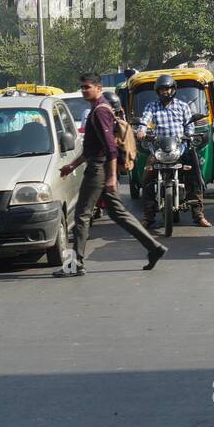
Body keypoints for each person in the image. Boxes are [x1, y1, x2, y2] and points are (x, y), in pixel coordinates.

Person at [58, 72, 166, 275]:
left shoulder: (99, 112)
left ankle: (75, 264)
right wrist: (72, 165)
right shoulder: (97, 110)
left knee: (82, 215)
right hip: (98, 165)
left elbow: (110, 148)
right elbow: (92, 148)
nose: (83, 91)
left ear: (98, 88)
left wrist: (112, 177)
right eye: (81, 87)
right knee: (119, 214)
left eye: (87, 87)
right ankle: (154, 248)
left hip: (99, 169)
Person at [136, 74, 212, 230]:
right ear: (157, 91)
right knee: (147, 178)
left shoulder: (182, 106)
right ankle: (148, 218)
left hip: (180, 147)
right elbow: (145, 120)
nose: (165, 92)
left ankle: (199, 216)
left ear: (173, 89)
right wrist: (141, 131)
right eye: (162, 89)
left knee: (195, 177)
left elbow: (189, 125)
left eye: (168, 89)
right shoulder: (152, 106)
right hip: (159, 148)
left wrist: (189, 135)